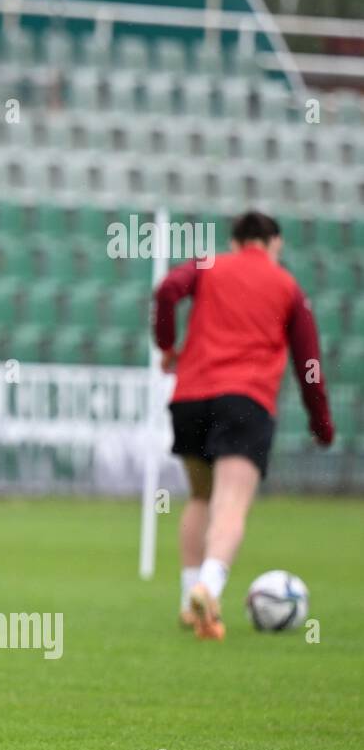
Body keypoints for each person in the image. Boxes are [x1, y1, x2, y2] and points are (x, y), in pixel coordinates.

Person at [153, 211, 334, 640]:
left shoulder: (208, 264)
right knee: (231, 503)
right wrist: (321, 422)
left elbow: (166, 290)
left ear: (235, 242)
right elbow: (308, 364)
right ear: (274, 243)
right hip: (245, 399)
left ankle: (187, 599)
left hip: (191, 397)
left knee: (200, 497)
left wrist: (166, 345)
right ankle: (207, 588)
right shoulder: (287, 286)